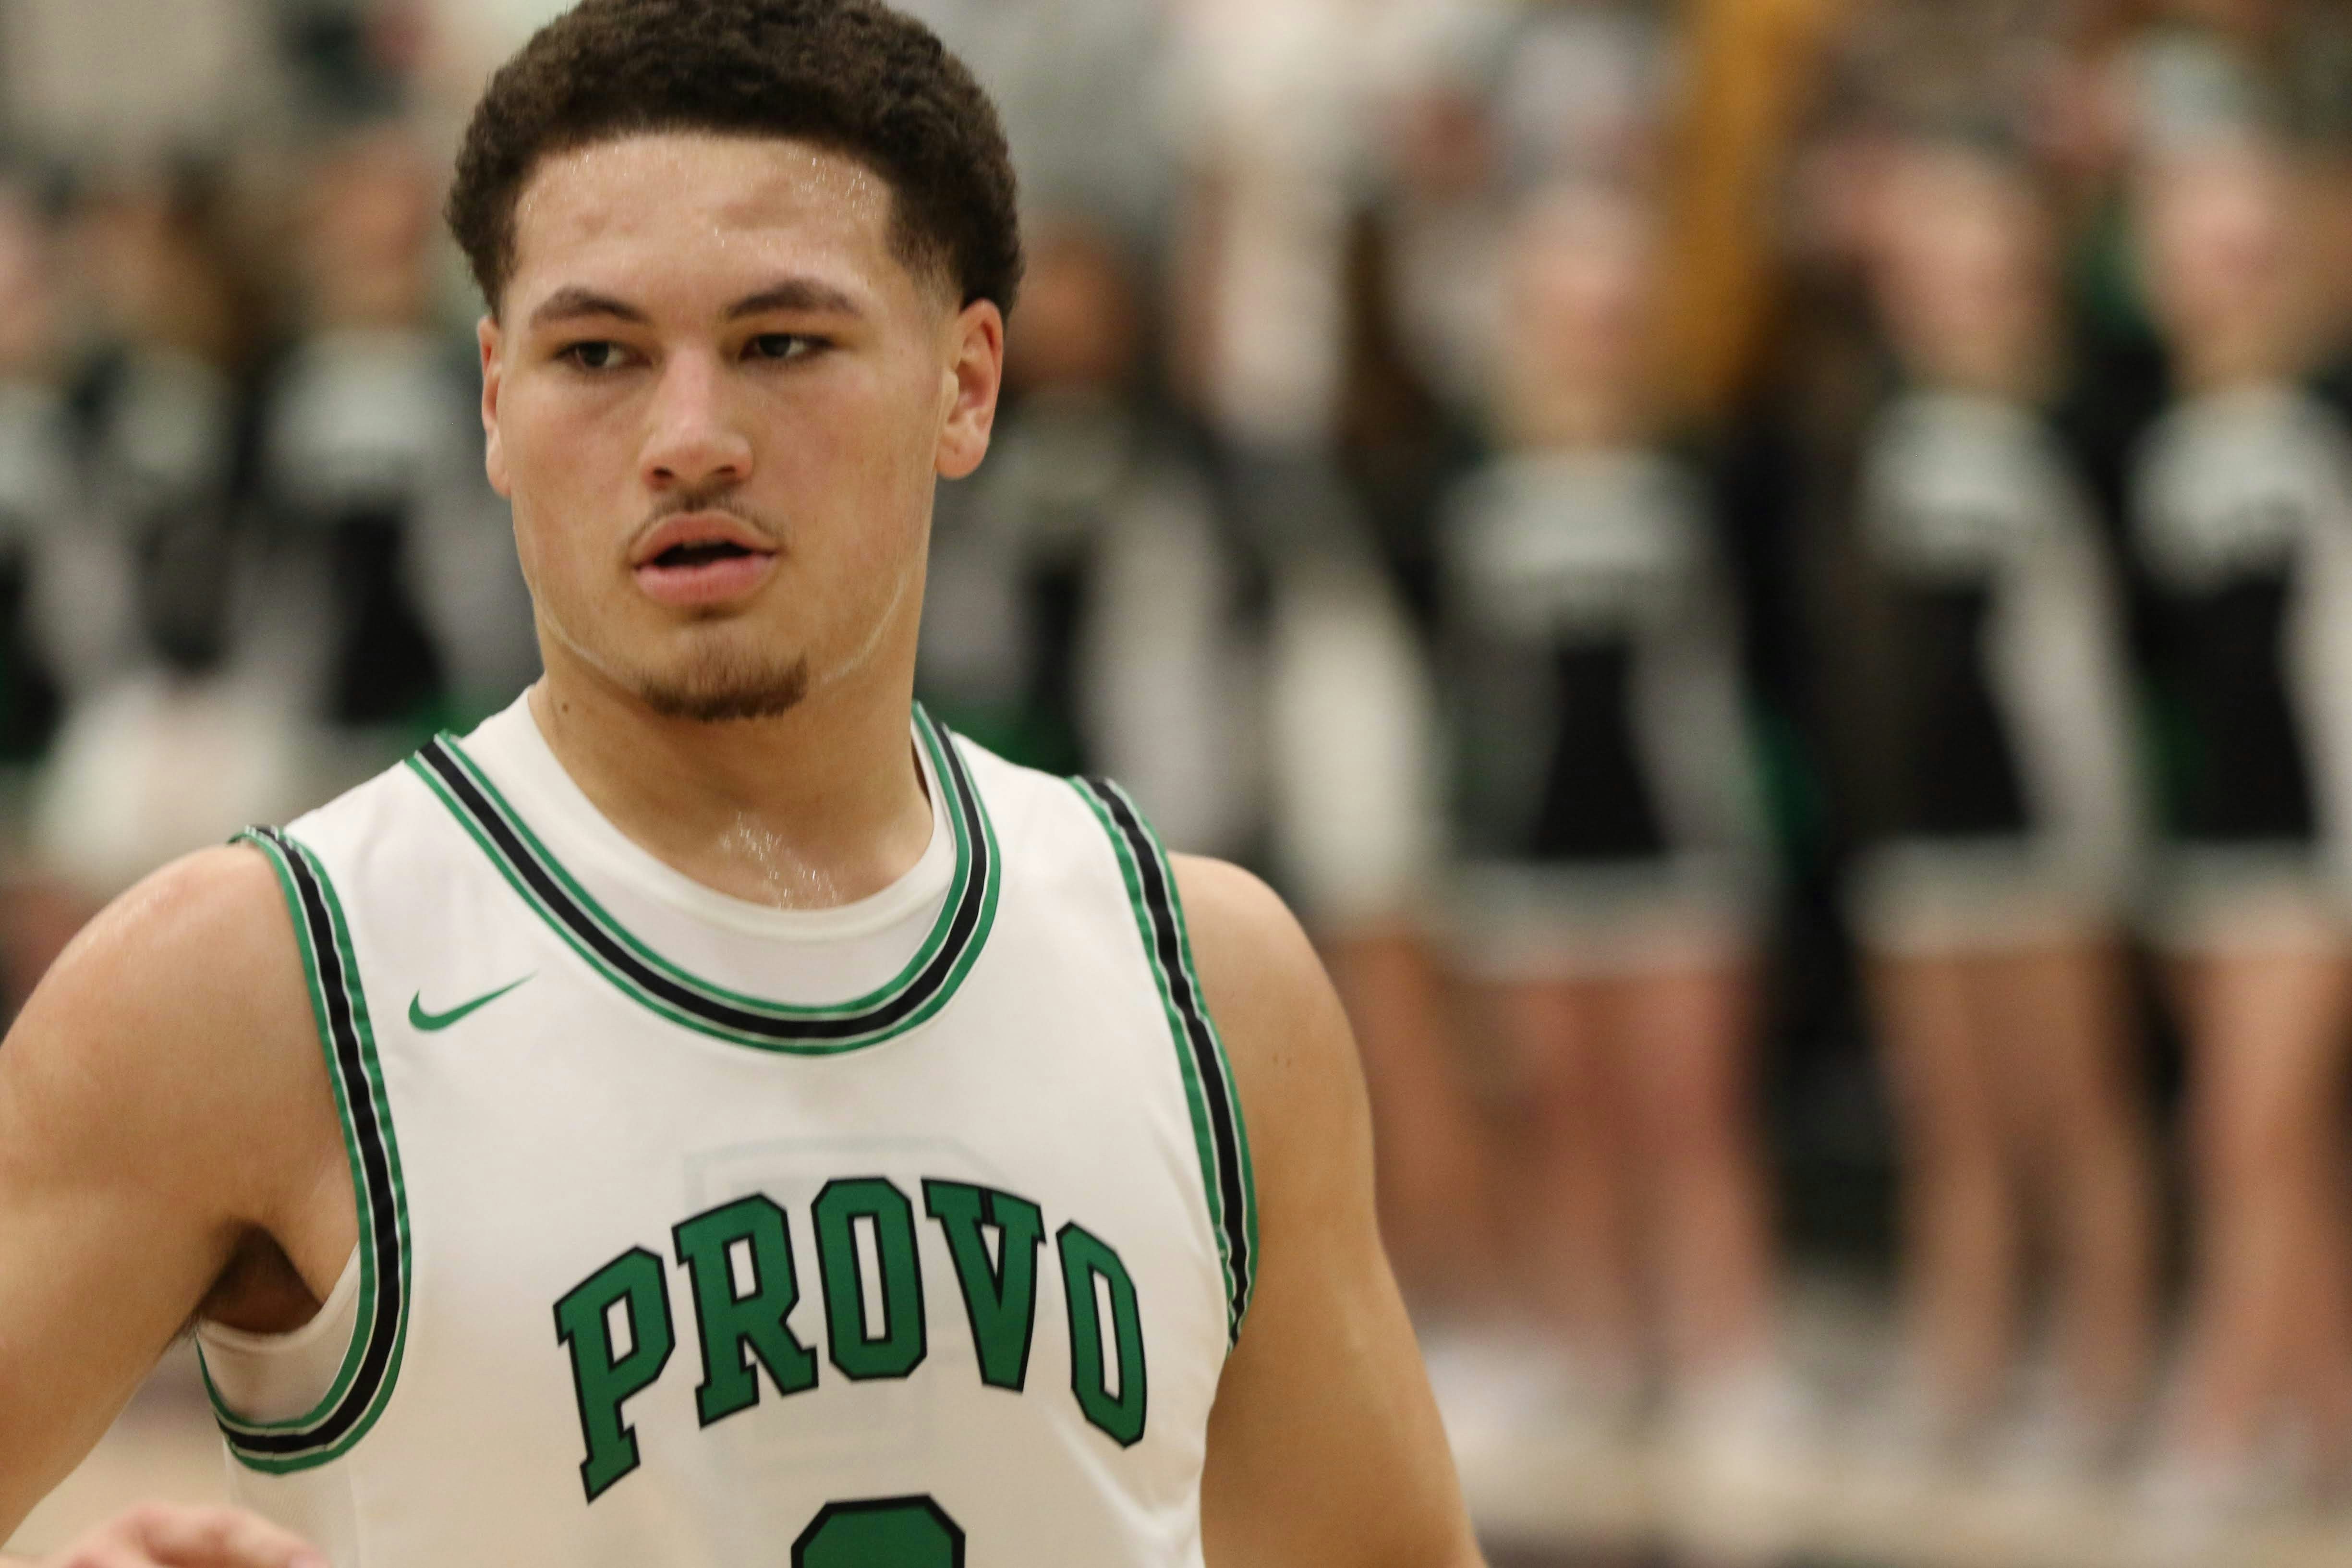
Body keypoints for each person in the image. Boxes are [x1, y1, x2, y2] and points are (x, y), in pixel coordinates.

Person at [0, 2, 1483, 1565]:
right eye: (597, 354)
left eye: (781, 344)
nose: (689, 439)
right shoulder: (255, 986)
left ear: (968, 382)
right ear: (494, 399)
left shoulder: (1210, 984)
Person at [1435, 182, 1784, 1491]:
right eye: (1564, 310)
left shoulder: (1697, 472)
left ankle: (1726, 1361)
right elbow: (1465, 693)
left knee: (1688, 1122)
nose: (1588, 334)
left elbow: (1743, 673)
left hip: (1677, 853)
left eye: (1610, 312)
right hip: (1525, 858)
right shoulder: (1471, 483)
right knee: (1559, 1122)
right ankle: (1588, 1354)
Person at [1844, 134, 2155, 1472]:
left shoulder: (2082, 423)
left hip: (2048, 826)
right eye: (1929, 257)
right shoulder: (1865, 423)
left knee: (2074, 1115)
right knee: (1951, 1126)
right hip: (1913, 831)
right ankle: (1961, 1373)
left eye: (1983, 256)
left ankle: (2105, 1381)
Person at [2131, 130, 2352, 1519]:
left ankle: (2213, 1427)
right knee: (2285, 1158)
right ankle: (2329, 1425)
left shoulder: (2328, 422)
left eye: (2249, 240)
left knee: (2240, 1139)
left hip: (2318, 847)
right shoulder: (2157, 436)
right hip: (2209, 846)